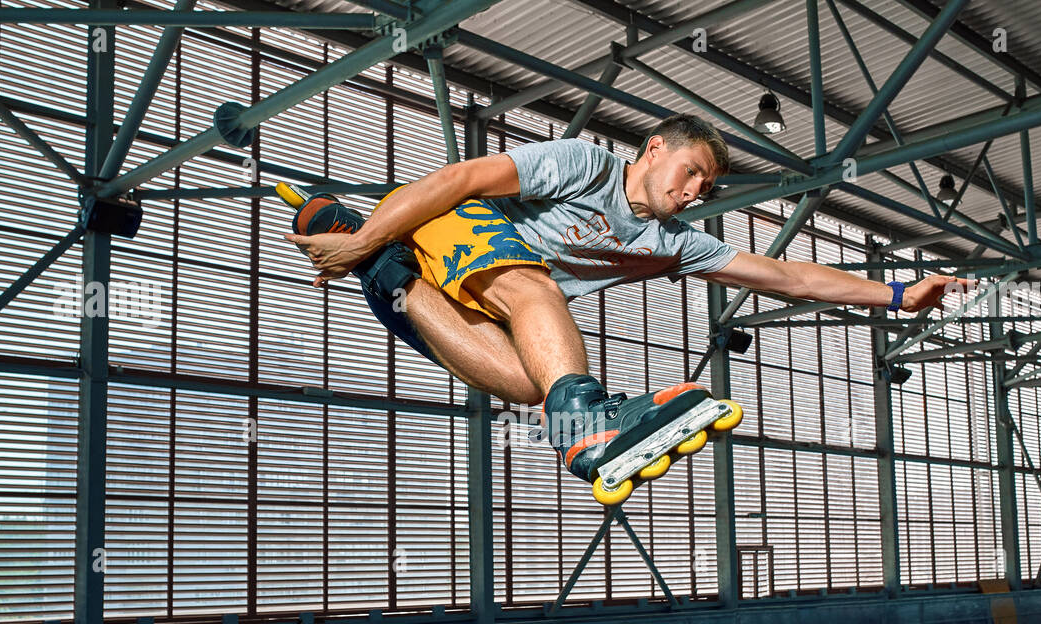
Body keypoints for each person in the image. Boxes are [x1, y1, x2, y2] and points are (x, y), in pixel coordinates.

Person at [285, 113, 963, 495]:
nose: (697, 189)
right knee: (534, 288)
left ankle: (387, 277)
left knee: (531, 385)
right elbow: (461, 176)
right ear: (653, 149)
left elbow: (789, 277)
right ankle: (585, 418)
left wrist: (899, 295)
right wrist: (374, 228)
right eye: (691, 170)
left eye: (708, 185)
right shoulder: (588, 164)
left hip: (450, 285)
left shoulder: (674, 242)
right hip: (454, 223)